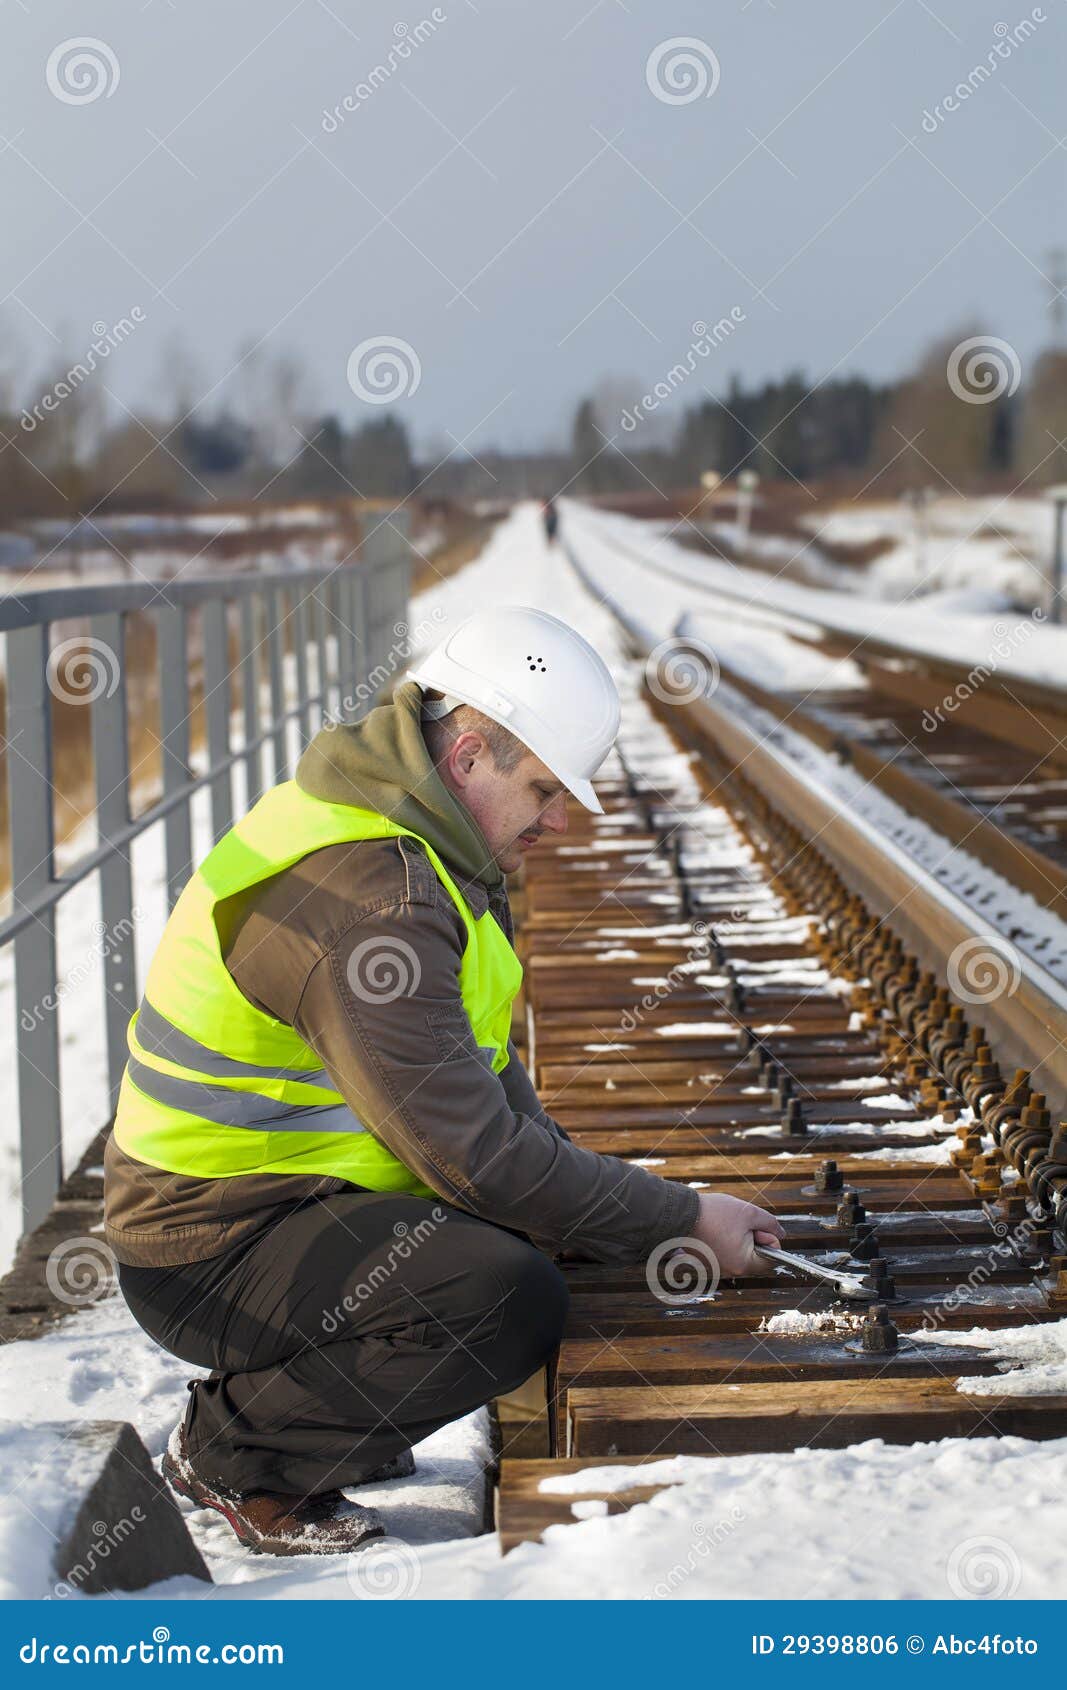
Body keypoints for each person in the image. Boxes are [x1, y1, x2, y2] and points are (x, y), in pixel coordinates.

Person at [104, 603, 781, 1556]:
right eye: (545, 792)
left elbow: (487, 1094)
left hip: (287, 1208)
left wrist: (603, 1213)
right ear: (468, 756)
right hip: (205, 1251)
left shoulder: (425, 843)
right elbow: (476, 1157)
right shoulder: (374, 896)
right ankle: (238, 1449)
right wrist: (675, 1218)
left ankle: (321, 1415)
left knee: (541, 1241)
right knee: (502, 1298)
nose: (554, 821)